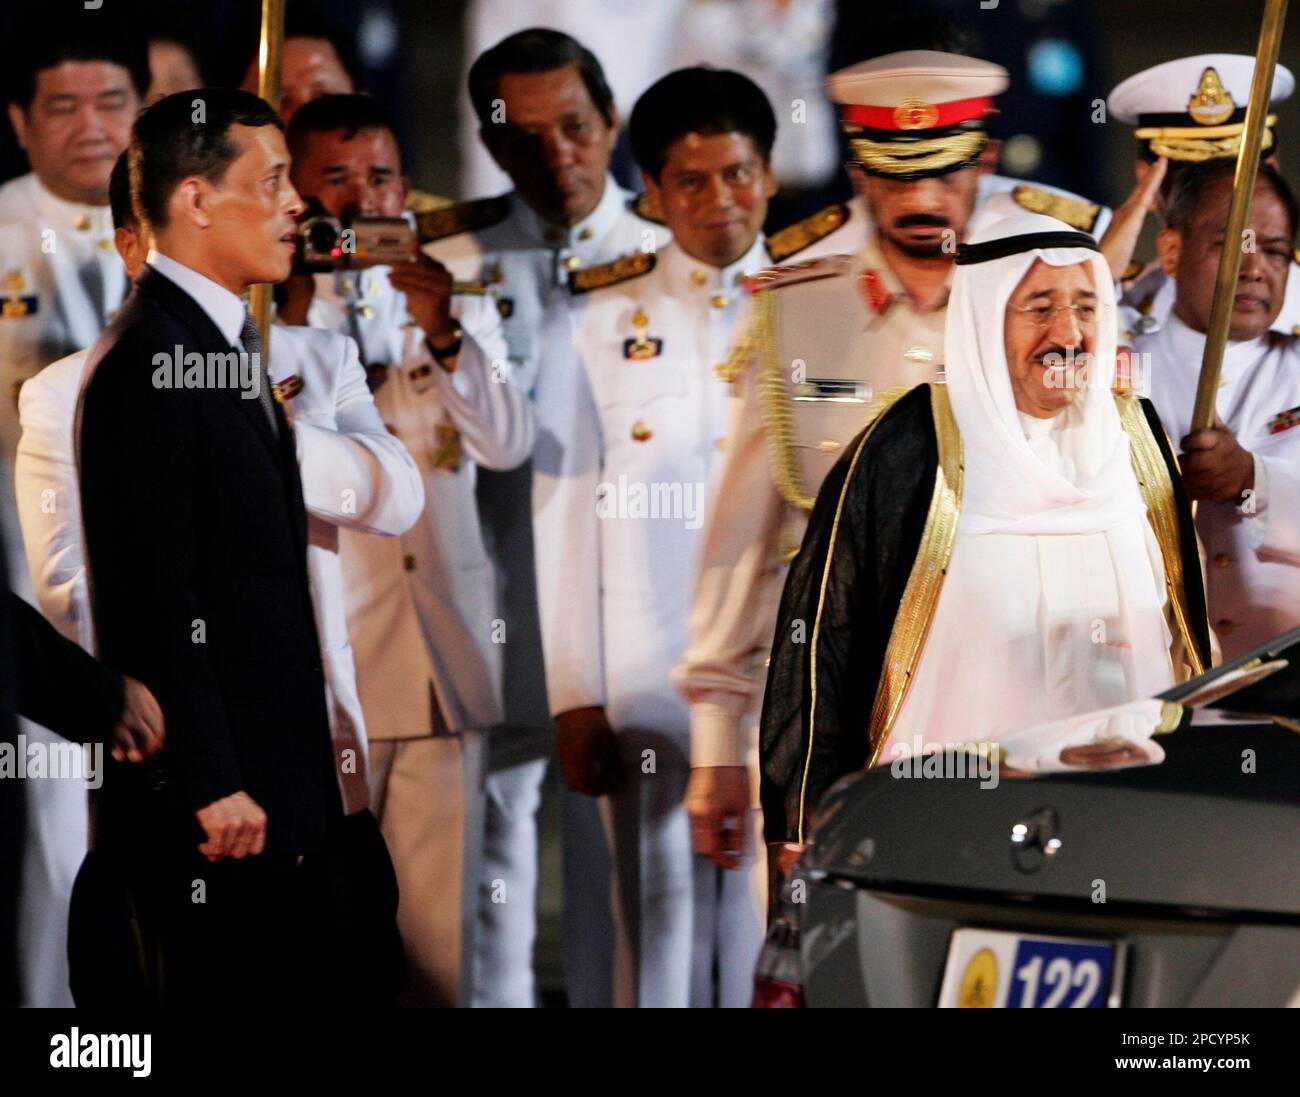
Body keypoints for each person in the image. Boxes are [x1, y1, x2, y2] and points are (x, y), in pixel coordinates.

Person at [75, 89, 402, 1006]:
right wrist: (213, 783)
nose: (298, 202)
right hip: (221, 817)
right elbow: (153, 595)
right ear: (196, 201)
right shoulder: (152, 357)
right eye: (271, 181)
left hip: (279, 791)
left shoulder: (216, 345)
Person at [760, 212, 1212, 851]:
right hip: (941, 828)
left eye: (1085, 306)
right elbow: (821, 647)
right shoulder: (908, 451)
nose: (1069, 333)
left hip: (1118, 827)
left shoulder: (1134, 441)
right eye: (1039, 307)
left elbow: (1187, 637)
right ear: (982, 319)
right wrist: (801, 824)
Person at [675, 51, 986, 884]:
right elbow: (742, 540)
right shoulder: (797, 308)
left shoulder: (1034, 307)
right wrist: (714, 742)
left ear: (985, 160)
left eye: (945, 174)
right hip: (822, 715)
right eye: (894, 177)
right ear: (857, 174)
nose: (921, 201)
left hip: (989, 706)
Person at [425, 27, 669, 1005]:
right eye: (522, 138)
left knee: (623, 861)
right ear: (488, 147)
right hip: (497, 591)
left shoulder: (670, 251)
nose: (554, 154)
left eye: (573, 126)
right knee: (493, 853)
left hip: (636, 603)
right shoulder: (448, 257)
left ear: (610, 120)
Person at [284, 93, 535, 1007]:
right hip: (331, 660)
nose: (362, 199)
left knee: (439, 937)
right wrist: (300, 304)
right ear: (294, 194)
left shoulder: (448, 286)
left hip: (445, 652)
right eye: (335, 179)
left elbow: (508, 443)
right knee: (321, 931)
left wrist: (444, 329)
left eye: (381, 175)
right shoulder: (266, 308)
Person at [548, 67, 776, 1008]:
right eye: (692, 180)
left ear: (767, 174)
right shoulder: (596, 318)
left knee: (775, 928)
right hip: (646, 676)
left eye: (737, 174)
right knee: (658, 934)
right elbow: (559, 516)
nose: (720, 201)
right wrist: (573, 691)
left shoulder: (820, 305)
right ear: (652, 188)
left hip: (778, 671)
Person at [0, 16, 148, 1007]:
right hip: (28, 583)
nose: (91, 127)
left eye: (112, 103)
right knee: (53, 828)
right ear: (20, 121)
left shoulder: (183, 221)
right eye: (64, 106)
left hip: (161, 576)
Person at [1134, 160, 1300, 660]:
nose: (1254, 268)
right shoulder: (1114, 374)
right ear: (1170, 250)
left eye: (1274, 251)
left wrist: (1254, 479)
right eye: (1231, 245)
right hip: (1163, 688)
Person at [1106, 54, 1299, 339]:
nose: (1216, 199)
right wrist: (1097, 276)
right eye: (1190, 181)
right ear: (1146, 184)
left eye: (1237, 176)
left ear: (1273, 172)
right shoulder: (1115, 302)